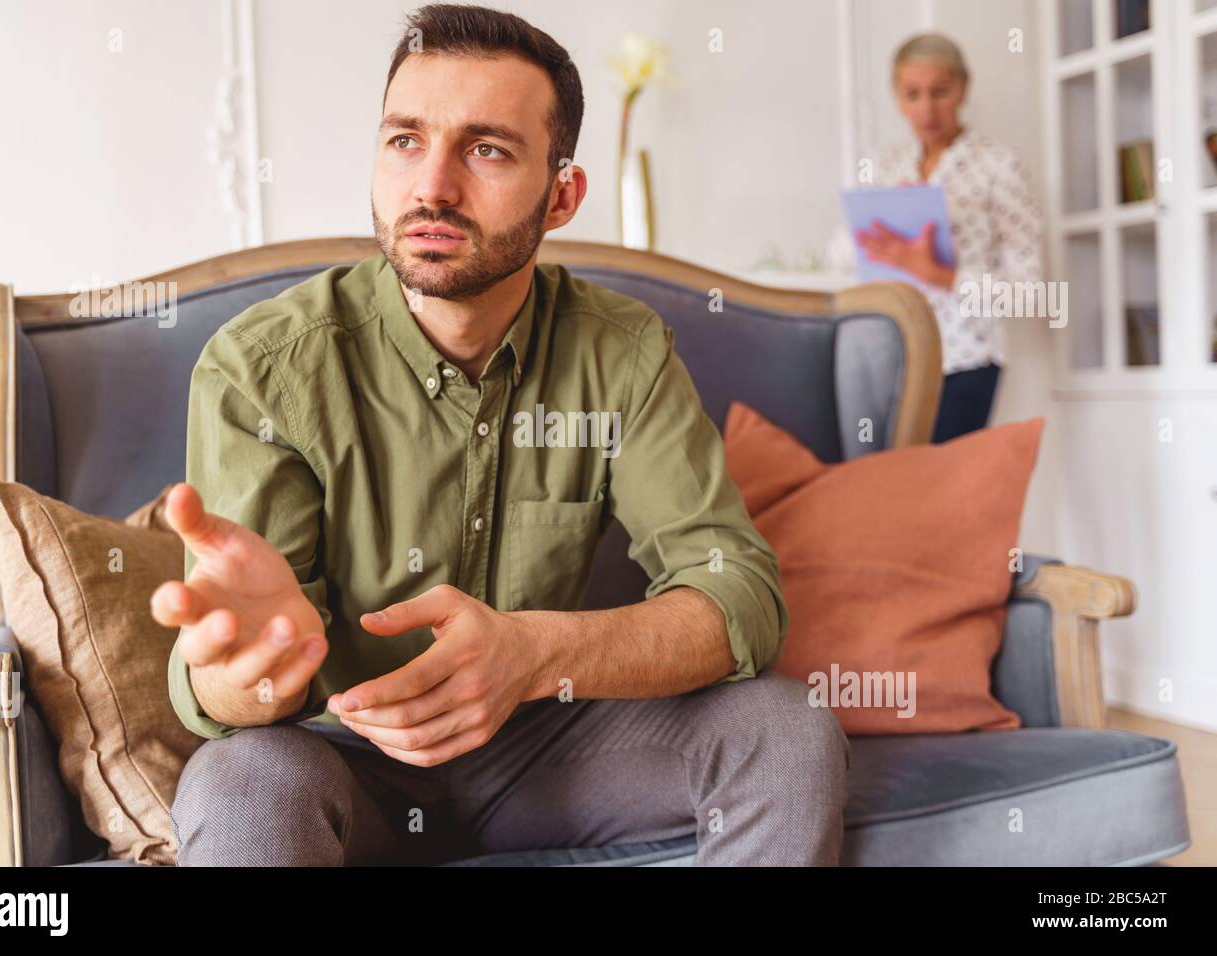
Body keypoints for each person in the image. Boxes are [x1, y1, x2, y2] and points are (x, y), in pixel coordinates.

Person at [152, 3, 848, 867]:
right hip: (342, 763)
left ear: (562, 195)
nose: (432, 186)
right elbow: (221, 693)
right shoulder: (261, 368)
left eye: (486, 149)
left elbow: (739, 592)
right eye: (405, 140)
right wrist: (254, 664)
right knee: (239, 781)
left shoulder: (621, 351)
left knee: (785, 729)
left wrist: (537, 652)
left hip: (551, 756)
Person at [846, 33, 1043, 442]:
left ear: (964, 88)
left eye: (940, 92)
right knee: (887, 490)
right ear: (896, 97)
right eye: (912, 94)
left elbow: (1032, 293)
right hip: (888, 356)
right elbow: (839, 257)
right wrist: (885, 229)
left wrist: (943, 275)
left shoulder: (998, 166)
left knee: (943, 494)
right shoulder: (883, 167)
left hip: (965, 361)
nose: (926, 109)